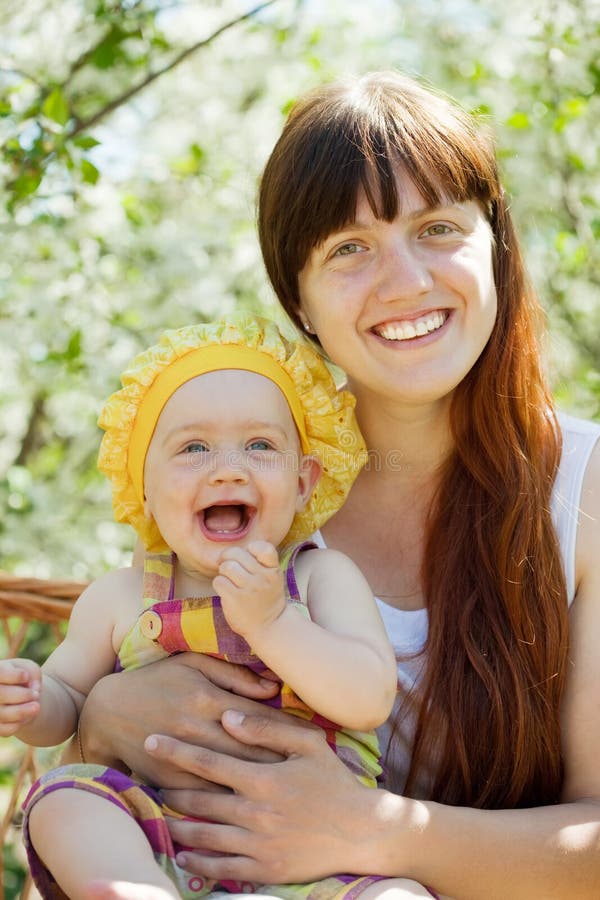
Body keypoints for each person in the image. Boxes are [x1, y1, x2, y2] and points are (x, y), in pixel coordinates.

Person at [75, 71, 600, 900]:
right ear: (300, 300)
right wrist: (101, 713)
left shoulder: (585, 490)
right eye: (349, 248)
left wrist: (370, 830)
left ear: (497, 248)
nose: (405, 281)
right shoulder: (251, 486)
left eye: (437, 228)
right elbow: (113, 729)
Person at [1, 316, 403, 899]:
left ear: (303, 483)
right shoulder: (120, 597)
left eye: (260, 445)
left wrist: (273, 622)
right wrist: (32, 700)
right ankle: (135, 888)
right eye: (193, 448)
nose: (229, 468)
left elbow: (368, 699)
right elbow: (70, 704)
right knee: (61, 802)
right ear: (143, 488)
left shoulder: (321, 578)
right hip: (157, 835)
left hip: (309, 856)